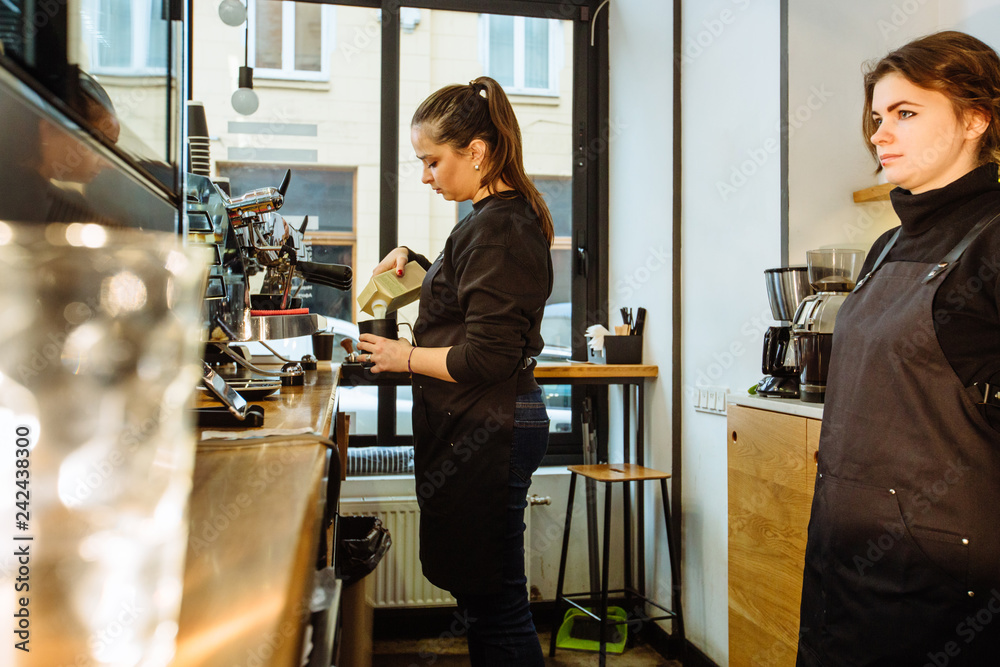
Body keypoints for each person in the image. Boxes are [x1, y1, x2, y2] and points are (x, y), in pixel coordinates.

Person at [797, 31, 1000, 665]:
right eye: (878, 117)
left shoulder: (993, 242)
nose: (880, 134)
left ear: (975, 118)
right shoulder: (887, 246)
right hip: (842, 563)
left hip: (944, 589)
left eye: (906, 113)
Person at [357, 76, 554, 665]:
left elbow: (487, 355)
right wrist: (415, 264)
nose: (425, 176)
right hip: (482, 421)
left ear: (477, 151)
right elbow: (472, 301)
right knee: (483, 596)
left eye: (432, 161)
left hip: (494, 426)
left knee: (498, 604)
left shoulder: (501, 227)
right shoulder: (485, 218)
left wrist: (402, 357)